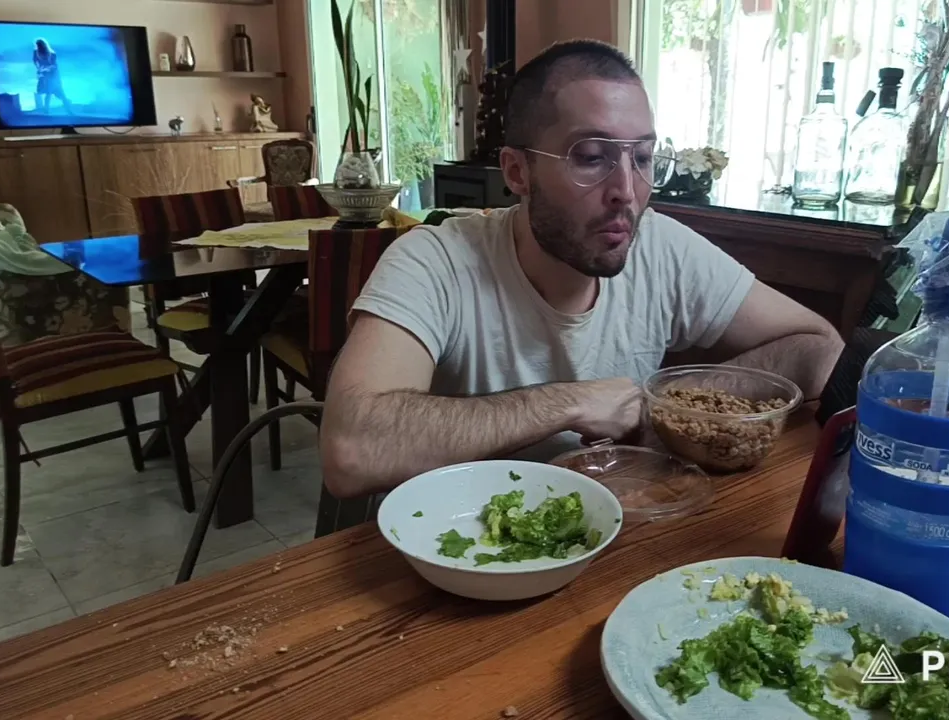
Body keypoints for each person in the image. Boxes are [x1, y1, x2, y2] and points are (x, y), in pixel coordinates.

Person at [319, 40, 844, 499]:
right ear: (517, 172)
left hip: (619, 531)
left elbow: (820, 348)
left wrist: (668, 403)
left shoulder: (661, 245)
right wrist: (568, 403)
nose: (627, 192)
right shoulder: (435, 260)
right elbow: (351, 450)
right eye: (592, 157)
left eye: (642, 158)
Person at [33, 38, 71, 115]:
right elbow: (36, 63)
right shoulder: (36, 53)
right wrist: (41, 70)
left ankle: (68, 109)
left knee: (58, 93)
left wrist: (44, 69)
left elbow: (54, 66)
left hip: (53, 76)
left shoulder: (52, 54)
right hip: (45, 77)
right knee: (50, 93)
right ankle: (47, 110)